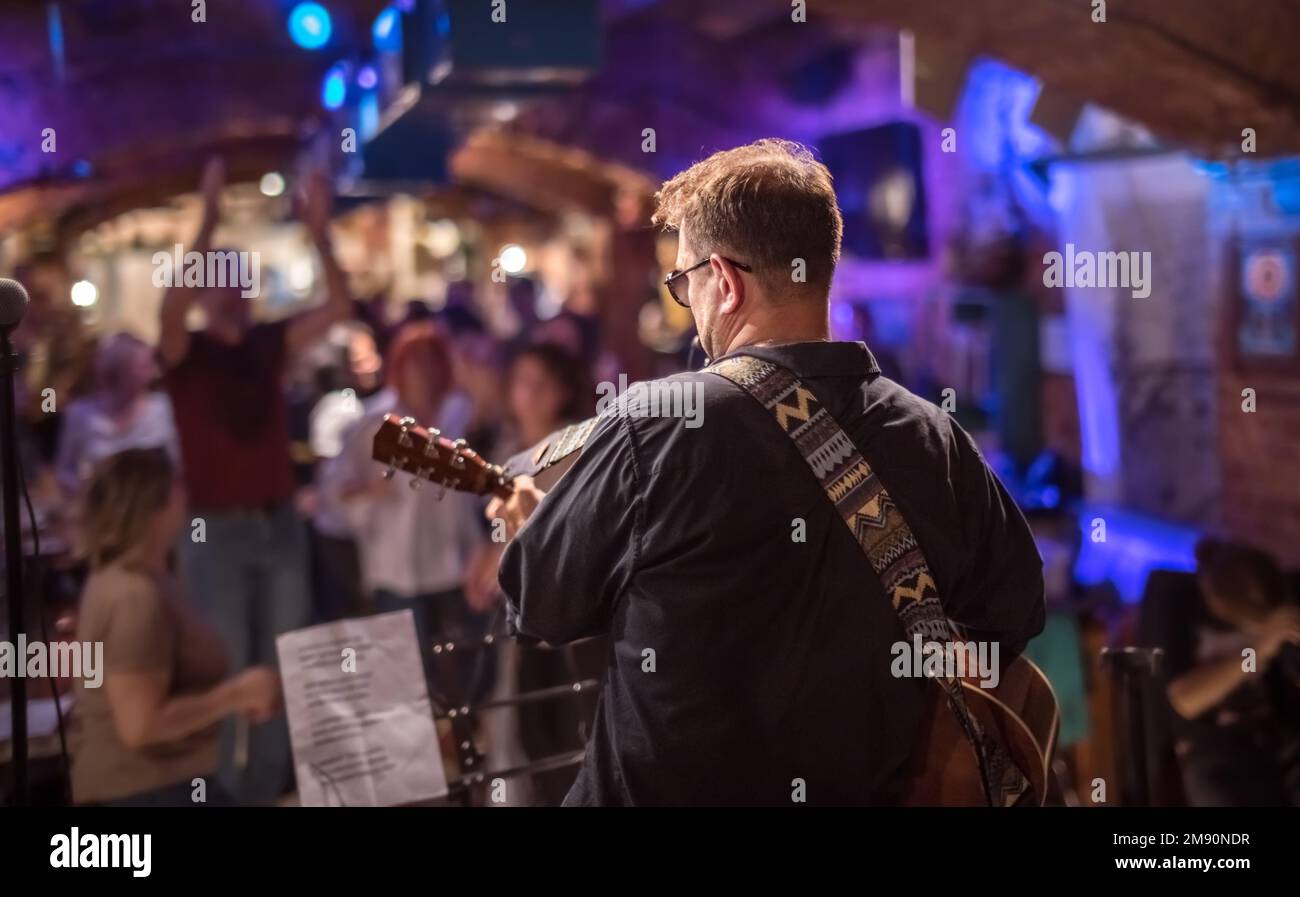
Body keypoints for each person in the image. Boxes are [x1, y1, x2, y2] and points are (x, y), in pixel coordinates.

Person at [487, 139, 1045, 806]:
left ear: (723, 280)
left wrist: (530, 529)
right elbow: (1012, 613)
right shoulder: (935, 437)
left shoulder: (658, 424)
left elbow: (543, 607)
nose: (688, 305)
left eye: (683, 280)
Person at [157, 157, 351, 804]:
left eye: (238, 281)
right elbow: (170, 307)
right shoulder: (184, 353)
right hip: (216, 530)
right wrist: (206, 220)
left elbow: (341, 305)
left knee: (285, 657)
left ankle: (267, 786)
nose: (230, 291)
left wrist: (321, 233)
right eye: (219, 282)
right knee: (231, 665)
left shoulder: (268, 341)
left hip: (277, 519)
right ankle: (227, 790)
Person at [70, 449, 281, 806]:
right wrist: (235, 695)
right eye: (177, 486)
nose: (187, 494)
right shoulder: (133, 597)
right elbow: (141, 726)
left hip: (172, 785)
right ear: (154, 507)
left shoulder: (148, 577)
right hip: (144, 792)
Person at [326, 322, 487, 703]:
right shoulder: (376, 424)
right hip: (397, 572)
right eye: (415, 363)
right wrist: (368, 493)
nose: (425, 372)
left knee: (464, 674)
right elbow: (334, 493)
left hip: (454, 564)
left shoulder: (458, 415)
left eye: (433, 361)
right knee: (405, 679)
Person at [1153, 539, 1300, 805]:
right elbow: (1184, 699)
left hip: (1276, 735)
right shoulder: (1179, 606)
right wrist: (1259, 647)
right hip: (1214, 748)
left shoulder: (1279, 597)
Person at [55, 332, 178, 496]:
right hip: (99, 512)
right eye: (143, 366)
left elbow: (177, 468)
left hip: (151, 510)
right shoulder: (80, 414)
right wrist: (91, 493)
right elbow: (65, 472)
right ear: (118, 370)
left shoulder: (163, 409)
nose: (154, 373)